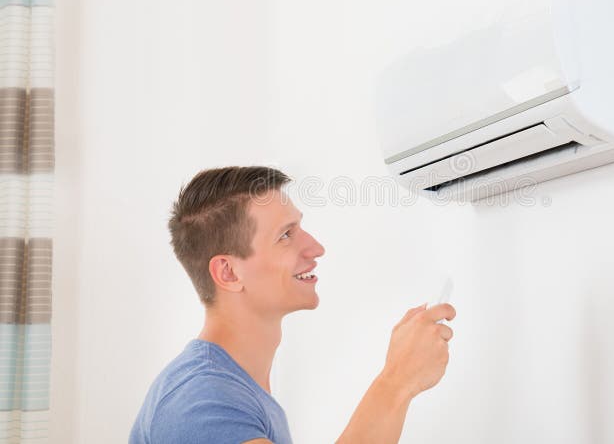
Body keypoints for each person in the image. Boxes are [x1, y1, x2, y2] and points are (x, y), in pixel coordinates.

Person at [129, 166, 456, 444]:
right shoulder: (200, 404)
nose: (316, 248)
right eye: (285, 235)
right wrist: (397, 381)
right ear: (228, 272)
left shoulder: (233, 393)